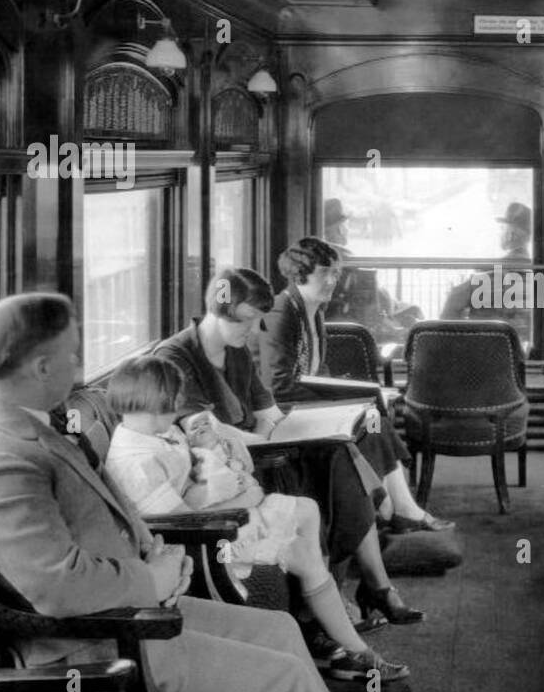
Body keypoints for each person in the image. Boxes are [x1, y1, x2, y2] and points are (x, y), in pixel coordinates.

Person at [0, 292, 454, 692]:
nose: (79, 366)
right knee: (284, 679)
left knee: (280, 630)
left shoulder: (26, 430)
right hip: (95, 649)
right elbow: (57, 587)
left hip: (125, 618)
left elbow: (96, 526)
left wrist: (153, 550)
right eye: (72, 355)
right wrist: (155, 579)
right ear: (40, 365)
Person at [154, 267, 428, 635]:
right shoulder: (176, 357)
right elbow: (206, 434)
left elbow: (267, 414)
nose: (253, 333)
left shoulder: (234, 352)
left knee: (341, 451)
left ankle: (371, 587)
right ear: (220, 311)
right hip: (225, 472)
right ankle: (368, 589)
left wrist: (269, 435)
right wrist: (263, 439)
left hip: (263, 451)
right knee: (337, 462)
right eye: (246, 322)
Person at [102, 356, 408, 684]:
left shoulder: (156, 433)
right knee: (304, 549)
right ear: (148, 405)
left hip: (213, 515)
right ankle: (347, 646)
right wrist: (239, 498)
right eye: (170, 407)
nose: (176, 413)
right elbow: (180, 521)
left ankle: (343, 643)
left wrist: (214, 451)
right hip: (200, 544)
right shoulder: (136, 463)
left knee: (307, 511)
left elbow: (189, 474)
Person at [258, 238, 456, 537]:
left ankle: (397, 506)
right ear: (300, 274)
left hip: (303, 406)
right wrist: (344, 402)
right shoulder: (281, 312)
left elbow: (317, 372)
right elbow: (279, 387)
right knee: (369, 415)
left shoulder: (313, 311)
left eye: (336, 273)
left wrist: (352, 396)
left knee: (376, 418)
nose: (334, 280)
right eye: (326, 273)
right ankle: (392, 506)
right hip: (281, 414)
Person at [440, 201, 534, 351]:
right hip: (521, 354)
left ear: (511, 234)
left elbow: (451, 306)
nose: (500, 233)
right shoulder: (539, 273)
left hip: (483, 353)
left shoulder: (487, 276)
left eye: (503, 228)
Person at [322, 198, 421, 340]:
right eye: (346, 225)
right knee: (414, 310)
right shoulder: (345, 256)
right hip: (367, 312)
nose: (348, 230)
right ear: (339, 229)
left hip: (360, 309)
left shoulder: (327, 252)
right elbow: (371, 294)